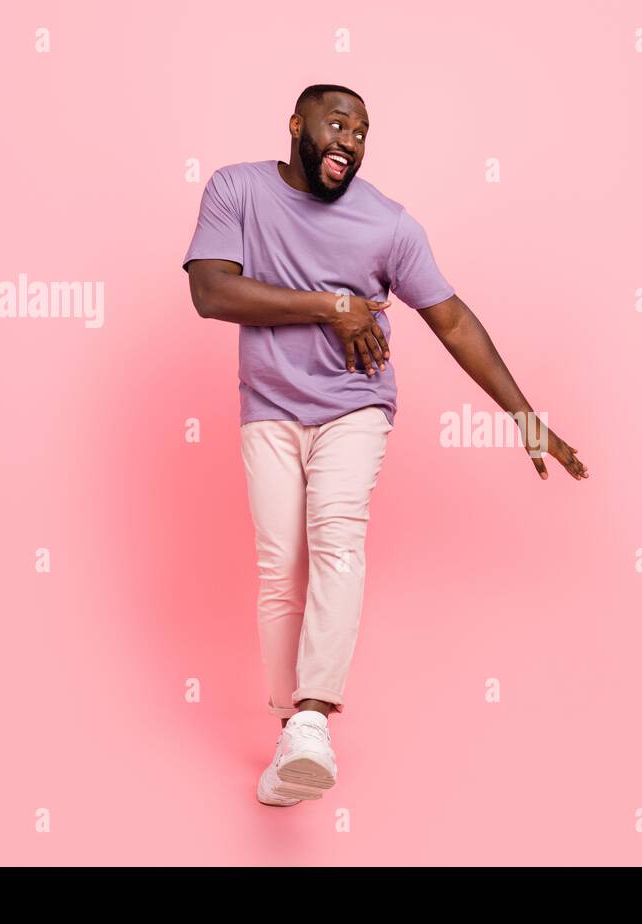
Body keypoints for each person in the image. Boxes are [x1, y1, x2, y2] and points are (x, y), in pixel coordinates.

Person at [182, 84, 589, 807]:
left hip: (353, 403)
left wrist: (524, 416)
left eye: (363, 130)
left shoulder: (389, 225)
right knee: (280, 564)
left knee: (336, 538)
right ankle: (290, 736)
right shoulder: (236, 189)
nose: (351, 139)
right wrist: (333, 305)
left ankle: (312, 719)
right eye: (338, 123)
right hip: (269, 407)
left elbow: (453, 319)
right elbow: (213, 293)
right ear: (297, 124)